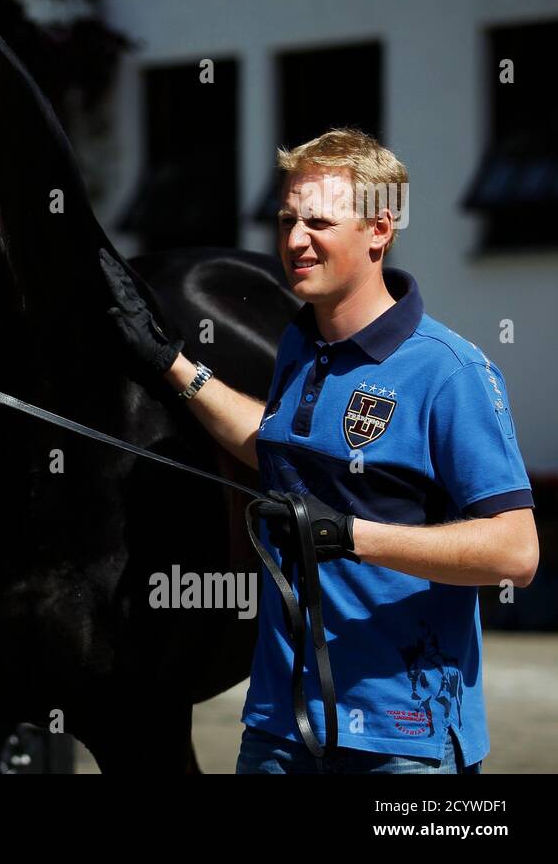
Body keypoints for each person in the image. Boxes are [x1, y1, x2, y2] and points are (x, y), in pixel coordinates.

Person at [101, 129, 538, 774]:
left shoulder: (449, 372)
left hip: (403, 740)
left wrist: (354, 535)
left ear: (379, 231)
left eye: (319, 222)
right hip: (280, 726)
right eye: (287, 219)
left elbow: (515, 553)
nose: (295, 239)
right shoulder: (300, 347)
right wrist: (172, 365)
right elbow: (277, 450)